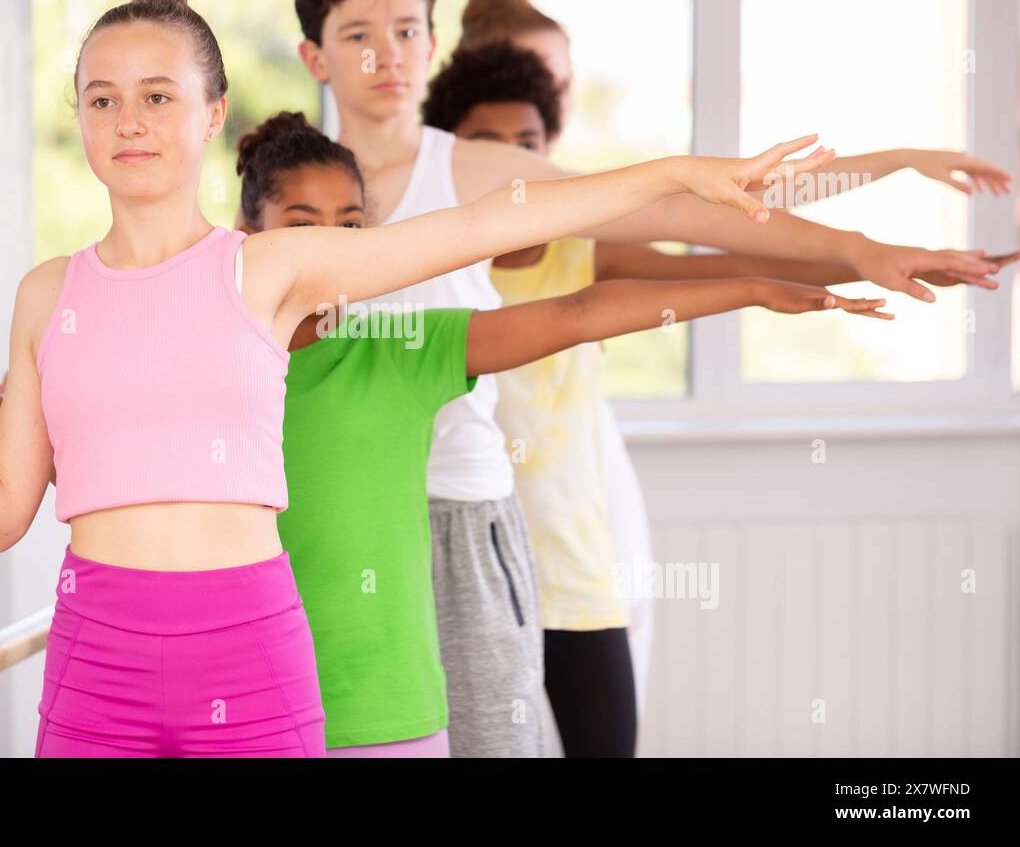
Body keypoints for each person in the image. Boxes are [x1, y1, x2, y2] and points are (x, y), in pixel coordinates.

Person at [0, 0, 825, 758]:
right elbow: (1, 509)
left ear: (209, 115)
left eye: (158, 95)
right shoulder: (46, 291)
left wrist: (677, 172)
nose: (130, 121)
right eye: (102, 99)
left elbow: (481, 223)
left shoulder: (270, 268)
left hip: (244, 646)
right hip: (94, 654)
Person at [0, 110, 885, 758]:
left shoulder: (403, 345)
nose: (337, 249)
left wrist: (748, 288)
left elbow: (582, 308)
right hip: (246, 705)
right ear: (253, 232)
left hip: (389, 707)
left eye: (354, 225)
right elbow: (98, 413)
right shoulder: (197, 344)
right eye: (307, 225)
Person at [291, 0, 1001, 757]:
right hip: (336, 513)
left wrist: (857, 249)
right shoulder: (289, 189)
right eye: (360, 36)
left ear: (434, 43)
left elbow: (677, 212)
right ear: (314, 56)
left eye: (408, 31)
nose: (389, 55)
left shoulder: (479, 173)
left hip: (462, 507)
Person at [422, 37, 1017, 756]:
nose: (512, 159)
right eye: (490, 144)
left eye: (529, 142)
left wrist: (881, 219)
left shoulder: (588, 244)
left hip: (572, 568)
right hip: (462, 566)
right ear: (455, 154)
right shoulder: (429, 256)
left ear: (549, 153)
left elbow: (737, 231)